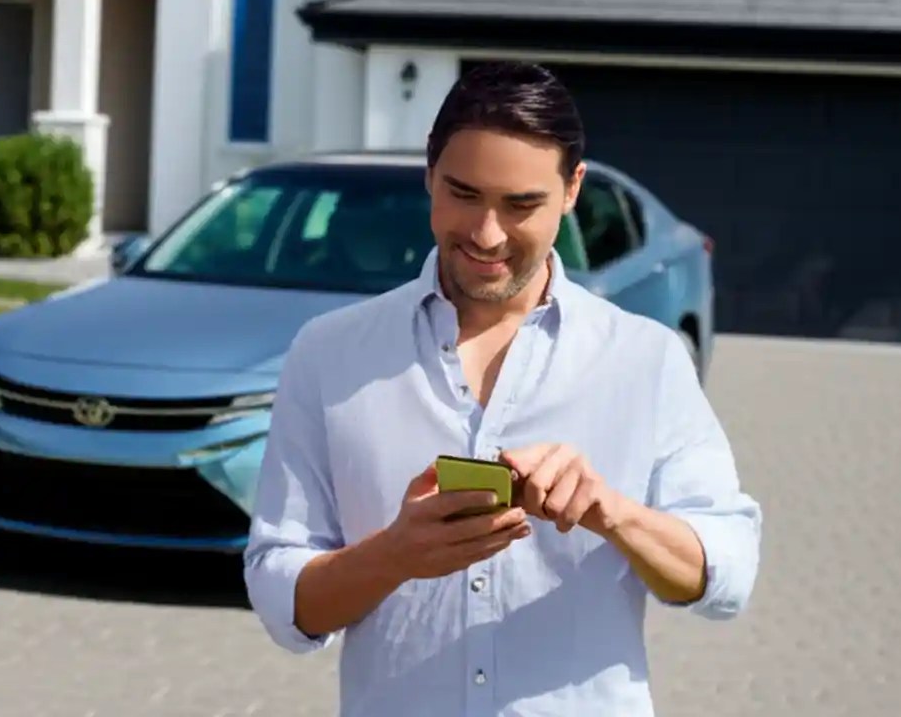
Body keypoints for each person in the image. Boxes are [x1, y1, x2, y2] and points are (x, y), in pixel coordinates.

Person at [243, 60, 763, 716]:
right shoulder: (328, 354)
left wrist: (611, 511)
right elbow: (278, 595)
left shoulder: (646, 359)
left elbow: (728, 575)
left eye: (521, 205)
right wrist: (393, 555)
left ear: (572, 190)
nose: (487, 235)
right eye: (464, 194)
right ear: (429, 176)